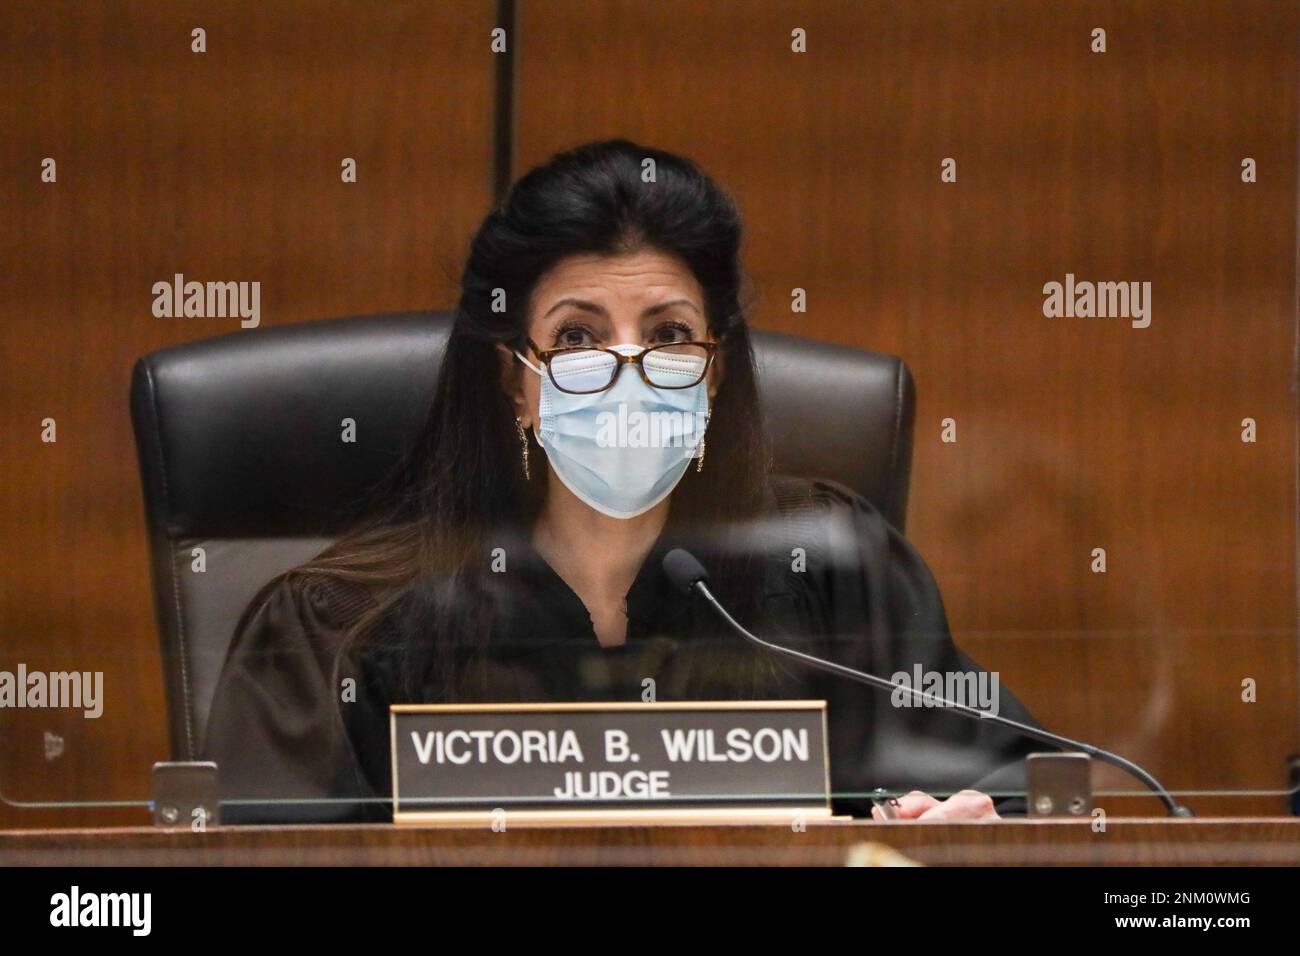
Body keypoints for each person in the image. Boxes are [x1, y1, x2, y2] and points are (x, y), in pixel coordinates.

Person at [202, 138, 1055, 824]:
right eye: (577, 338)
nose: (626, 372)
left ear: (715, 373)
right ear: (513, 380)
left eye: (669, 334)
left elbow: (1034, 790)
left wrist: (977, 829)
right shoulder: (336, 627)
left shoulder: (831, 572)